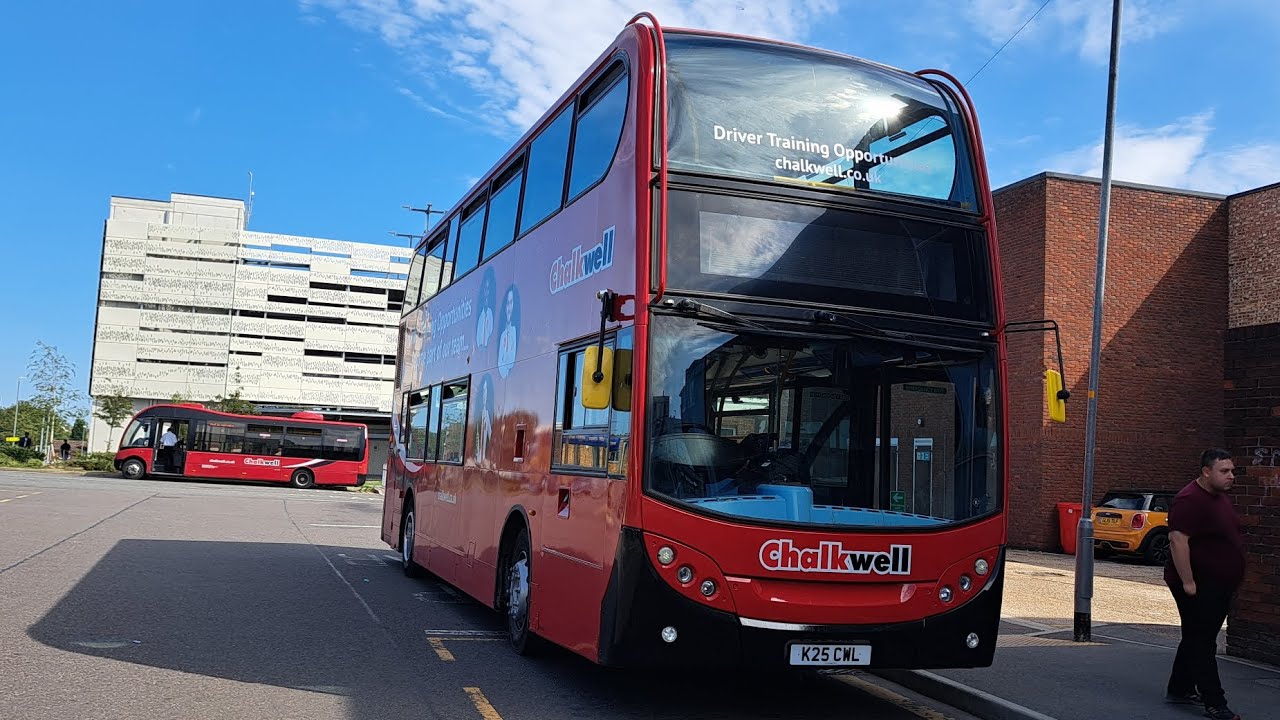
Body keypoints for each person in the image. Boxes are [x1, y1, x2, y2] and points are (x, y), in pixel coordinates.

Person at [1164, 448, 1246, 720]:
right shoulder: (1189, 500)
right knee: (1203, 641)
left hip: (1218, 584)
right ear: (1206, 471)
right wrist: (1188, 583)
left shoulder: (1218, 497)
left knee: (1196, 636)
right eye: (1224, 471)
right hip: (1198, 585)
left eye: (1232, 470)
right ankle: (1215, 702)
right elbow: (1178, 540)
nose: (1231, 476)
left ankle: (1180, 687)